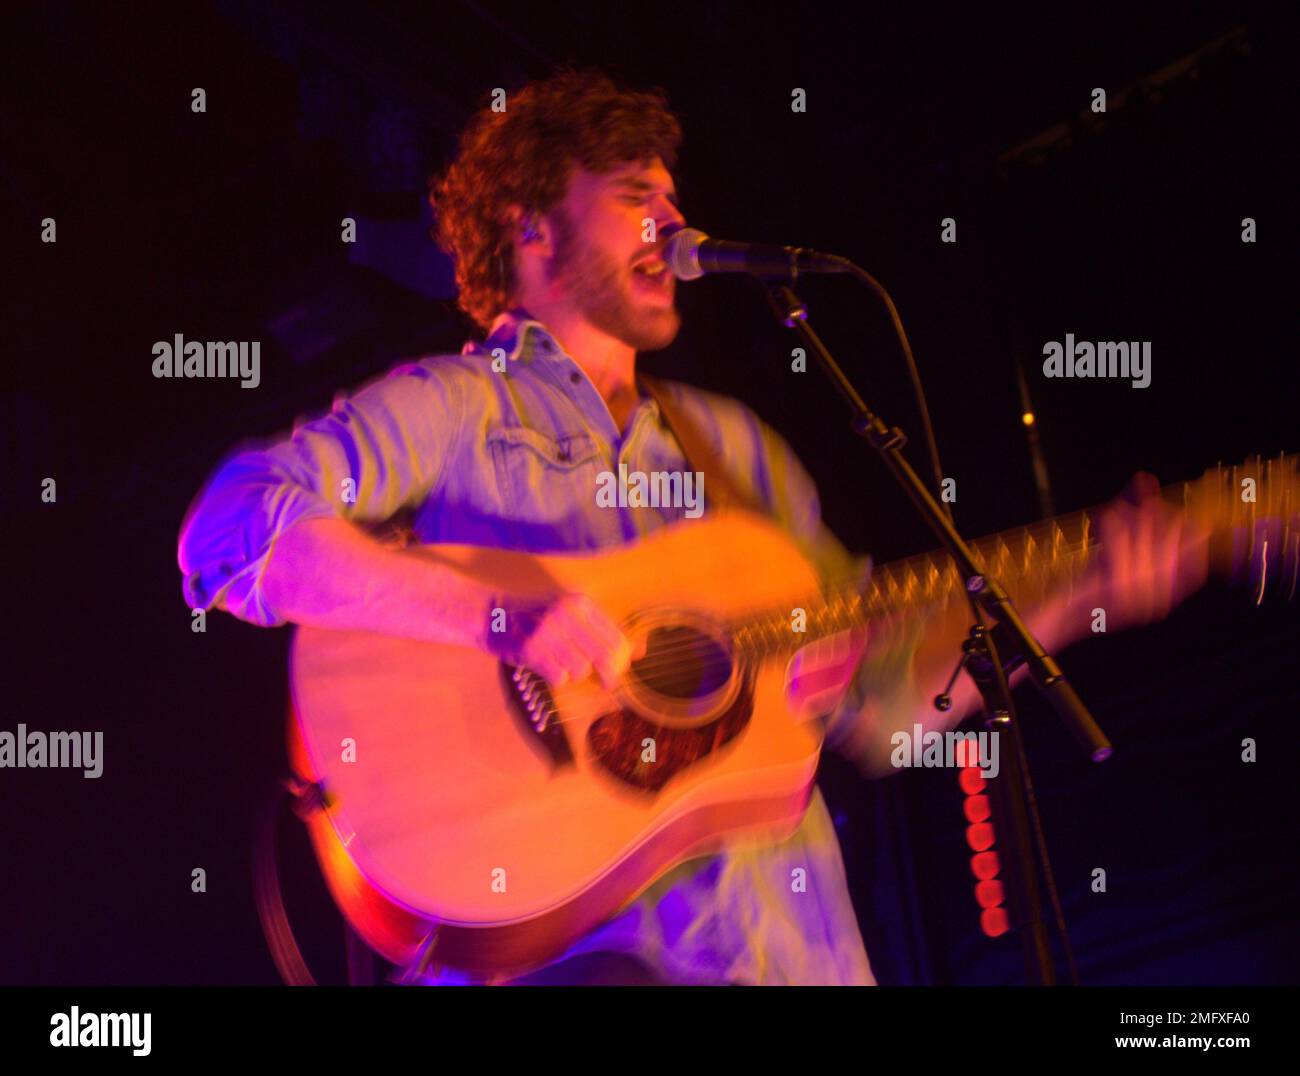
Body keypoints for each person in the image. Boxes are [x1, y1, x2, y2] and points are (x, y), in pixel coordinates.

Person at [177, 69, 1209, 985]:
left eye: (673, 195)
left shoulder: (733, 449)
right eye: (636, 197)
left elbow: (889, 710)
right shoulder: (459, 408)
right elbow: (229, 535)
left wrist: (1087, 595)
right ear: (533, 227)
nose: (672, 222)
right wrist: (497, 614)